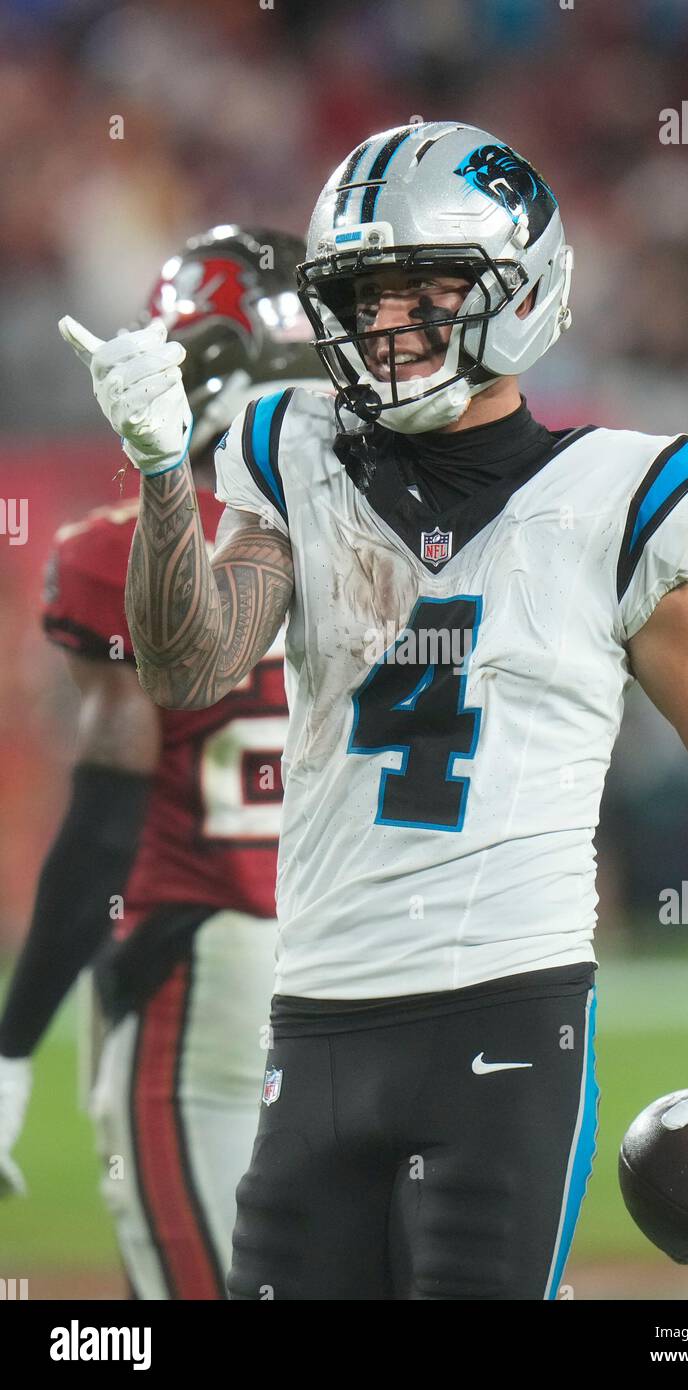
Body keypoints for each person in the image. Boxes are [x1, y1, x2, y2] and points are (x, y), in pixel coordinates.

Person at [60, 121, 688, 1301]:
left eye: (426, 289)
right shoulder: (291, 448)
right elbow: (192, 665)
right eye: (366, 298)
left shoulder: (622, 497)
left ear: (521, 287)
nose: (389, 325)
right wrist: (166, 470)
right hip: (312, 1023)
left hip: (508, 1022)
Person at [0, 225, 327, 1299]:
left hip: (201, 967)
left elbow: (105, 817)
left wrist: (12, 1044)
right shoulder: (390, 537)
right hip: (368, 973)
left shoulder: (114, 553)